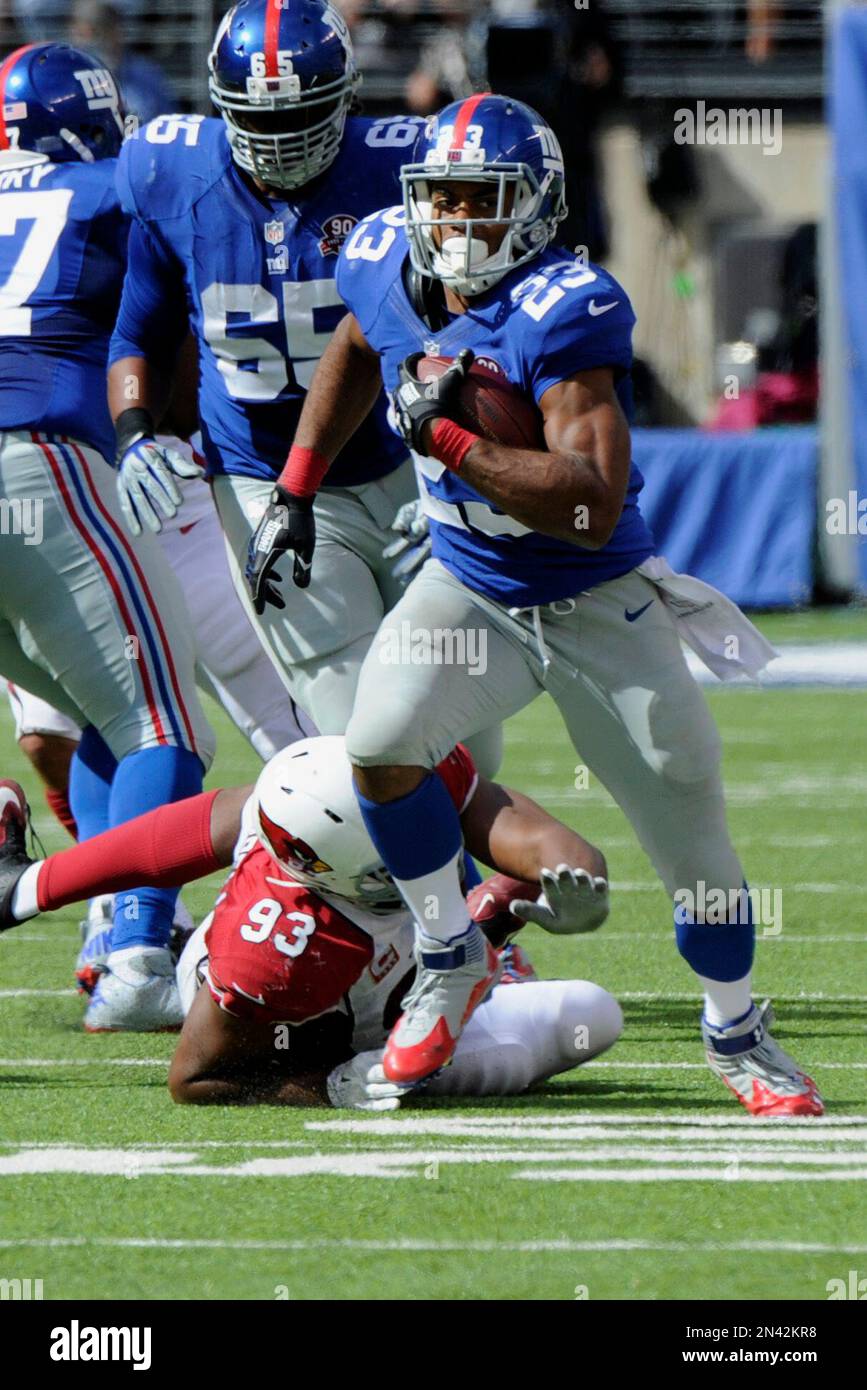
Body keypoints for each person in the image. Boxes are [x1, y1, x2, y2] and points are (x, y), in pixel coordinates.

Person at [248, 93, 823, 1117]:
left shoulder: (569, 304)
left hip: (597, 604)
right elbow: (354, 347)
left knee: (697, 849)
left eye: (482, 201)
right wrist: (295, 486)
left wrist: (452, 442)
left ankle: (735, 1026)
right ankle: (447, 950)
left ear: (536, 207)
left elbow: (592, 507)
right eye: (444, 199)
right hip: (469, 585)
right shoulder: (382, 253)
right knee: (377, 748)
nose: (457, 222)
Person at [106, 0, 502, 779]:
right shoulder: (167, 171)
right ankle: (442, 894)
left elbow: (479, 320)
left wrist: (460, 466)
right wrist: (133, 433)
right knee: (368, 738)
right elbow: (136, 336)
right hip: (264, 483)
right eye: (261, 121)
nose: (283, 143)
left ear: (348, 95)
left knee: (464, 727)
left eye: (306, 117)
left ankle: (466, 886)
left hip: (401, 464)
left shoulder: (403, 163)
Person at [0, 737, 619, 1108]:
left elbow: (154, 844)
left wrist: (579, 881)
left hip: (397, 975)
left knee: (593, 1014)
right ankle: (477, 935)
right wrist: (332, 1085)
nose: (424, 844)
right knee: (567, 1021)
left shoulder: (371, 781)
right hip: (325, 1028)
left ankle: (478, 931)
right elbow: (196, 1078)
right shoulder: (276, 946)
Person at [0, 41, 215, 1031]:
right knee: (164, 724)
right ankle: (136, 951)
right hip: (34, 461)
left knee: (98, 713)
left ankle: (101, 931)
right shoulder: (107, 184)